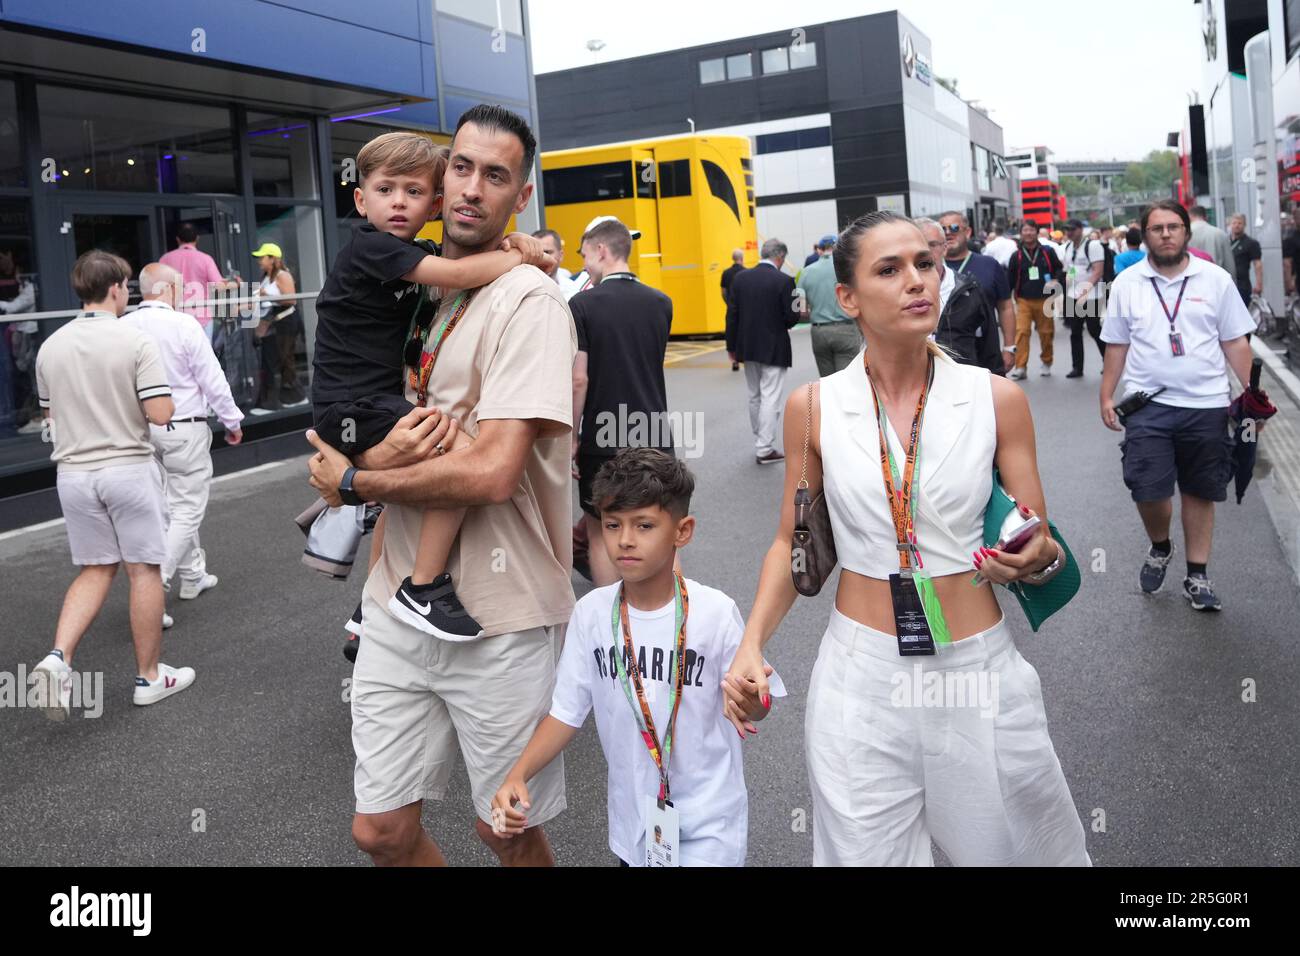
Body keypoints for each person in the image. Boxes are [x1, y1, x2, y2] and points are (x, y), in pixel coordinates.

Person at [725, 211, 1088, 866]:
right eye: (889, 270)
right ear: (848, 298)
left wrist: (1038, 555)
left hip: (977, 675)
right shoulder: (814, 407)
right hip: (859, 680)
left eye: (925, 262)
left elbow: (1040, 538)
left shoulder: (995, 399)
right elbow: (791, 542)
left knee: (1015, 853)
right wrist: (751, 644)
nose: (917, 280)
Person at [306, 104, 577, 867]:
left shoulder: (530, 301)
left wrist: (357, 482)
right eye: (460, 167)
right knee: (380, 831)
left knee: (505, 831)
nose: (470, 189)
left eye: (495, 176)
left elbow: (491, 472)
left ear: (518, 196)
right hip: (395, 605)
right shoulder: (419, 285)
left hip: (497, 614)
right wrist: (351, 464)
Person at [309, 129, 551, 642]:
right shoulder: (372, 248)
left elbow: (450, 266)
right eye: (385, 190)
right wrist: (518, 256)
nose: (398, 202)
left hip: (361, 402)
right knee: (461, 455)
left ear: (434, 205)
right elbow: (456, 273)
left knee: (414, 483)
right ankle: (423, 586)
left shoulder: (402, 251)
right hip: (353, 404)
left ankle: (372, 596)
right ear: (359, 198)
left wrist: (517, 242)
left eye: (414, 193)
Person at [490, 448, 785, 866]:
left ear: (682, 531)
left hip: (711, 823)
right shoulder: (592, 614)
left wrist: (755, 704)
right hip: (637, 824)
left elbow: (755, 701)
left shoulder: (715, 614)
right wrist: (518, 772)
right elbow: (566, 712)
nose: (625, 540)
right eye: (612, 525)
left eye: (644, 525)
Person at [30, 251, 197, 720]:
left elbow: (51, 415)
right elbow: (161, 413)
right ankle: (148, 676)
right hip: (126, 468)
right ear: (119, 288)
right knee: (143, 569)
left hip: (74, 475)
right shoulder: (135, 340)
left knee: (94, 568)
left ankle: (58, 658)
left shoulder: (51, 346)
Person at [1100, 200, 1260, 612]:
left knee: (1200, 490)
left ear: (1186, 232)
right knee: (1147, 488)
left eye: (1173, 227)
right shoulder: (1128, 283)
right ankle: (1160, 545)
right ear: (1145, 234)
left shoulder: (1216, 280)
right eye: (1157, 228)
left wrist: (1249, 394)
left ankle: (1197, 575)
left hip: (1206, 404)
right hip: (1147, 405)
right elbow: (1117, 344)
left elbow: (1235, 340)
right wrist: (1106, 395)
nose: (1166, 234)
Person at [124, 262, 244, 604]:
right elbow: (212, 378)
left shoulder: (124, 327)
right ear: (167, 289)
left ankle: (193, 575)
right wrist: (232, 422)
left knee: (169, 507)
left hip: (141, 430)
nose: (183, 295)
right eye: (179, 287)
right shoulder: (183, 325)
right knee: (187, 507)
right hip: (184, 427)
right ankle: (158, 579)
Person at [570, 217, 674, 586]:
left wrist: (572, 437)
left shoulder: (581, 305)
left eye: (584, 255)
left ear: (601, 250)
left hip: (602, 435)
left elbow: (579, 378)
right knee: (658, 525)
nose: (583, 264)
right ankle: (668, 615)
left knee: (602, 530)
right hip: (654, 433)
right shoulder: (662, 303)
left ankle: (611, 617)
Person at [725, 238, 799, 465]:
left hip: (746, 346)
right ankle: (765, 448)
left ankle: (760, 438)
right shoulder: (785, 281)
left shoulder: (740, 279)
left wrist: (731, 346)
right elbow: (792, 316)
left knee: (754, 395)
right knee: (771, 396)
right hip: (774, 346)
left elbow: (731, 314)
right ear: (780, 257)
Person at [915, 219, 1004, 374]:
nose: (924, 251)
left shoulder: (969, 289)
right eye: (917, 245)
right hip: (912, 385)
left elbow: (989, 345)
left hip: (961, 384)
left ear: (944, 248)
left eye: (931, 244)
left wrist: (995, 381)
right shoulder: (896, 291)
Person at [938, 211, 1015, 372]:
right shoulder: (930, 268)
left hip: (986, 352)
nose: (948, 233)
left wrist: (1009, 347)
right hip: (943, 357)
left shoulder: (989, 265)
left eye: (953, 228)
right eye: (942, 229)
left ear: (967, 232)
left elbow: (1005, 307)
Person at [247, 243, 306, 412]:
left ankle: (274, 402)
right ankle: (294, 397)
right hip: (275, 321)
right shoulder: (267, 277)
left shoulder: (283, 275)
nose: (259, 260)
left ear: (272, 259)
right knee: (280, 361)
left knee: (279, 361)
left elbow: (291, 300)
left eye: (262, 257)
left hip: (286, 321)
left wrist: (267, 295)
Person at [1006, 219, 1064, 379]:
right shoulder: (1016, 255)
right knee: (1022, 332)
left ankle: (1047, 361)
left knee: (1046, 333)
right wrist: (1004, 301)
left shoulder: (1047, 251)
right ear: (1021, 233)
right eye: (1025, 230)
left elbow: (1059, 268)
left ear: (1036, 232)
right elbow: (1009, 279)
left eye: (1031, 230)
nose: (1028, 233)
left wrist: (1056, 279)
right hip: (1023, 300)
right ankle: (1020, 367)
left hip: (1045, 299)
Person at [797, 233, 862, 376]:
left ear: (820, 250)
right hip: (846, 329)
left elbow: (798, 307)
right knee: (848, 378)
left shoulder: (805, 272)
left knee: (827, 381)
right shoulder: (848, 269)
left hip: (819, 331)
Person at [158, 222, 234, 343]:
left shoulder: (165, 259)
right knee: (203, 358)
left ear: (177, 239)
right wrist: (236, 284)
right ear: (197, 239)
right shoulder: (205, 259)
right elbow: (219, 286)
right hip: (201, 317)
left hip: (174, 316)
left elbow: (158, 287)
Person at [1059, 218, 1106, 378]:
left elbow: (1098, 271)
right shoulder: (1068, 247)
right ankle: (1077, 367)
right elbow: (1071, 268)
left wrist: (1085, 289)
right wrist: (1069, 280)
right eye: (1067, 230)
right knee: (1075, 332)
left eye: (1072, 229)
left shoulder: (1093, 245)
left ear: (1080, 229)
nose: (1069, 233)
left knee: (1094, 330)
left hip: (1091, 295)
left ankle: (1108, 360)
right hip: (1073, 295)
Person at [1188, 205, 1235, 279]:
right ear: (1205, 217)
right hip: (1216, 280)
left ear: (1189, 217)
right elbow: (1229, 265)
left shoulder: (1184, 234)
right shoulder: (1220, 234)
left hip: (1190, 281)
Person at [532, 228, 578, 300]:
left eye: (547, 252)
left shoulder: (573, 291)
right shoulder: (519, 290)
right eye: (536, 253)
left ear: (561, 255)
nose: (542, 258)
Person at [1227, 213, 1263, 307]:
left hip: (1242, 285)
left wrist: (1259, 284)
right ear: (1230, 225)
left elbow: (1257, 264)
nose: (1236, 225)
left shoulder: (1251, 243)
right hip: (1227, 283)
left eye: (1240, 223)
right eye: (1234, 223)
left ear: (1244, 225)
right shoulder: (1225, 241)